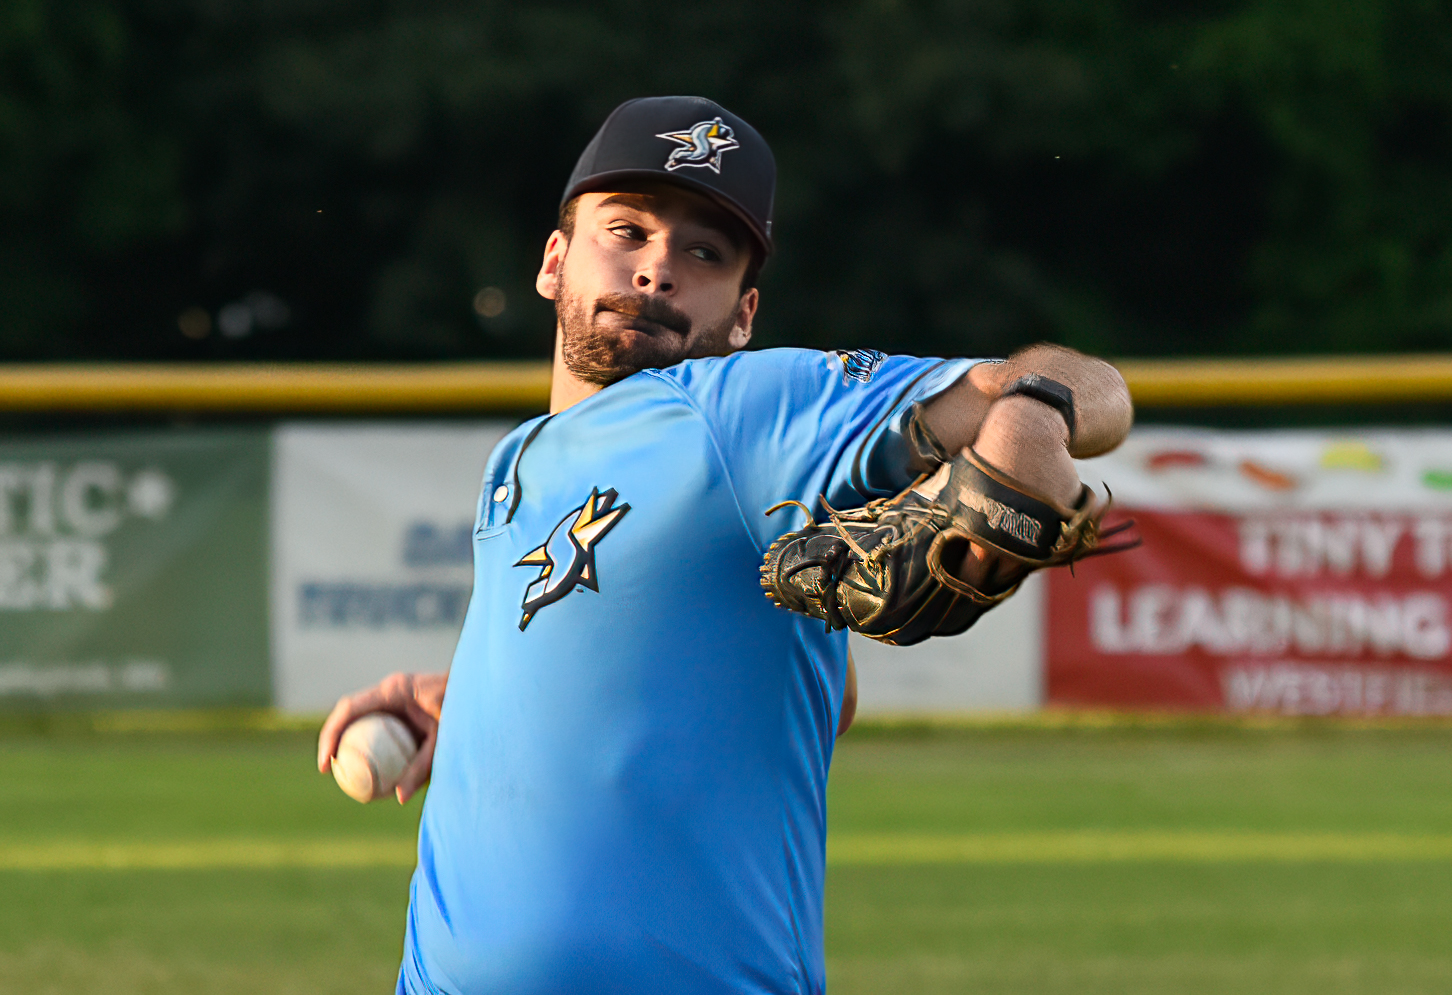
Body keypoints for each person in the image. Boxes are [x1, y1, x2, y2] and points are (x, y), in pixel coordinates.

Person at [317, 95, 1132, 995]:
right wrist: (473, 710)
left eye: (703, 252)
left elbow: (1083, 387)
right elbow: (802, 681)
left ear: (744, 314)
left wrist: (1025, 434)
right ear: (554, 261)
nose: (657, 268)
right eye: (625, 230)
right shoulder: (516, 460)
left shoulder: (738, 408)